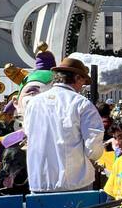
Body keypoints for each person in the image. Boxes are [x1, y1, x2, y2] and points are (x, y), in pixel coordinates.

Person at [24, 58, 105, 192]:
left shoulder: (33, 103)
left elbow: (27, 133)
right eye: (83, 82)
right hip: (75, 182)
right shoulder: (81, 103)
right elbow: (93, 145)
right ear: (77, 77)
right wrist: (94, 157)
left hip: (39, 181)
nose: (82, 87)